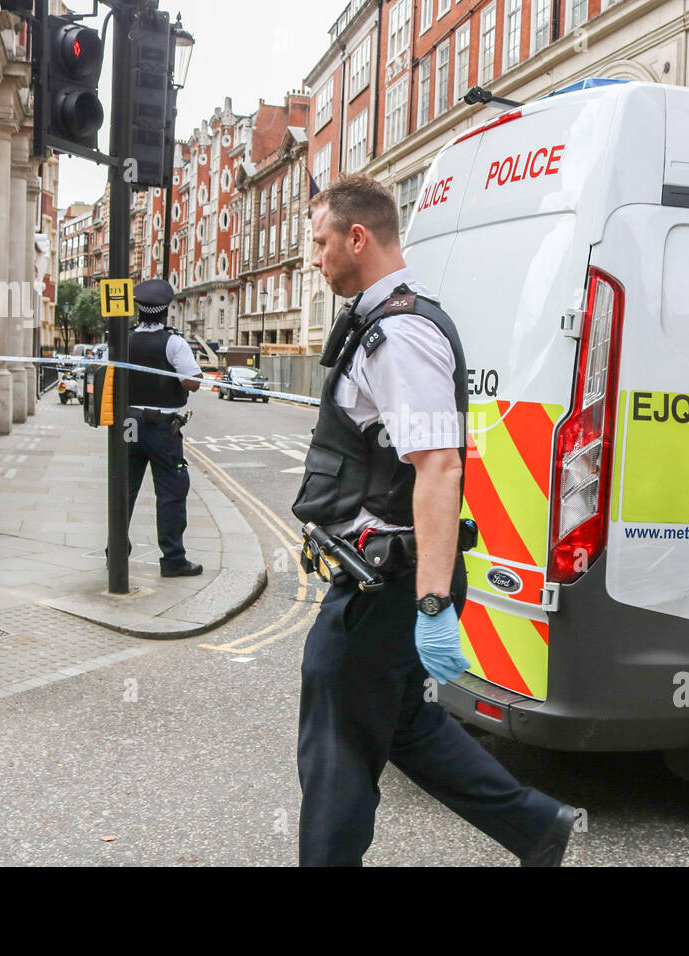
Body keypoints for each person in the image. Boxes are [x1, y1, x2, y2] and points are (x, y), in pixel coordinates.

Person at [292, 175, 575, 866]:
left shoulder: (401, 333)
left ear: (357, 237)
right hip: (379, 574)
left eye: (321, 241)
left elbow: (439, 467)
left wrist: (430, 601)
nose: (315, 257)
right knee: (404, 724)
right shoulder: (383, 319)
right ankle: (537, 828)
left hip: (387, 584)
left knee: (337, 733)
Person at [120, 277, 204, 577]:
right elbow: (191, 382)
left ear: (138, 310)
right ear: (165, 310)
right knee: (170, 491)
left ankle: (115, 552)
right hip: (162, 428)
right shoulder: (174, 342)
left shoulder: (123, 339)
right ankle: (173, 559)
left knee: (123, 489)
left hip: (127, 423)